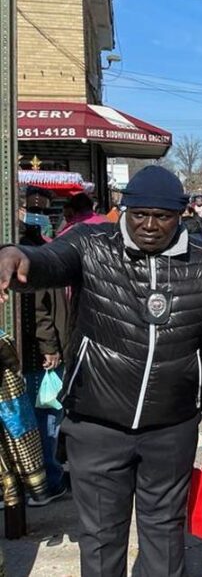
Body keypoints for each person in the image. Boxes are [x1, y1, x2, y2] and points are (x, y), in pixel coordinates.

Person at [0, 165, 202, 577]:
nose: (150, 225)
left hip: (171, 425)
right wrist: (17, 255)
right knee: (100, 539)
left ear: (181, 215)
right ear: (124, 210)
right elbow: (50, 260)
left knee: (165, 537)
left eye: (162, 217)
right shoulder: (92, 243)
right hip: (97, 424)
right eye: (139, 214)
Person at [18, 204, 70, 507]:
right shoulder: (34, 262)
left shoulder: (42, 257)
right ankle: (46, 482)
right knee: (46, 418)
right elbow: (39, 312)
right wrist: (50, 348)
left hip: (37, 354)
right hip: (40, 357)